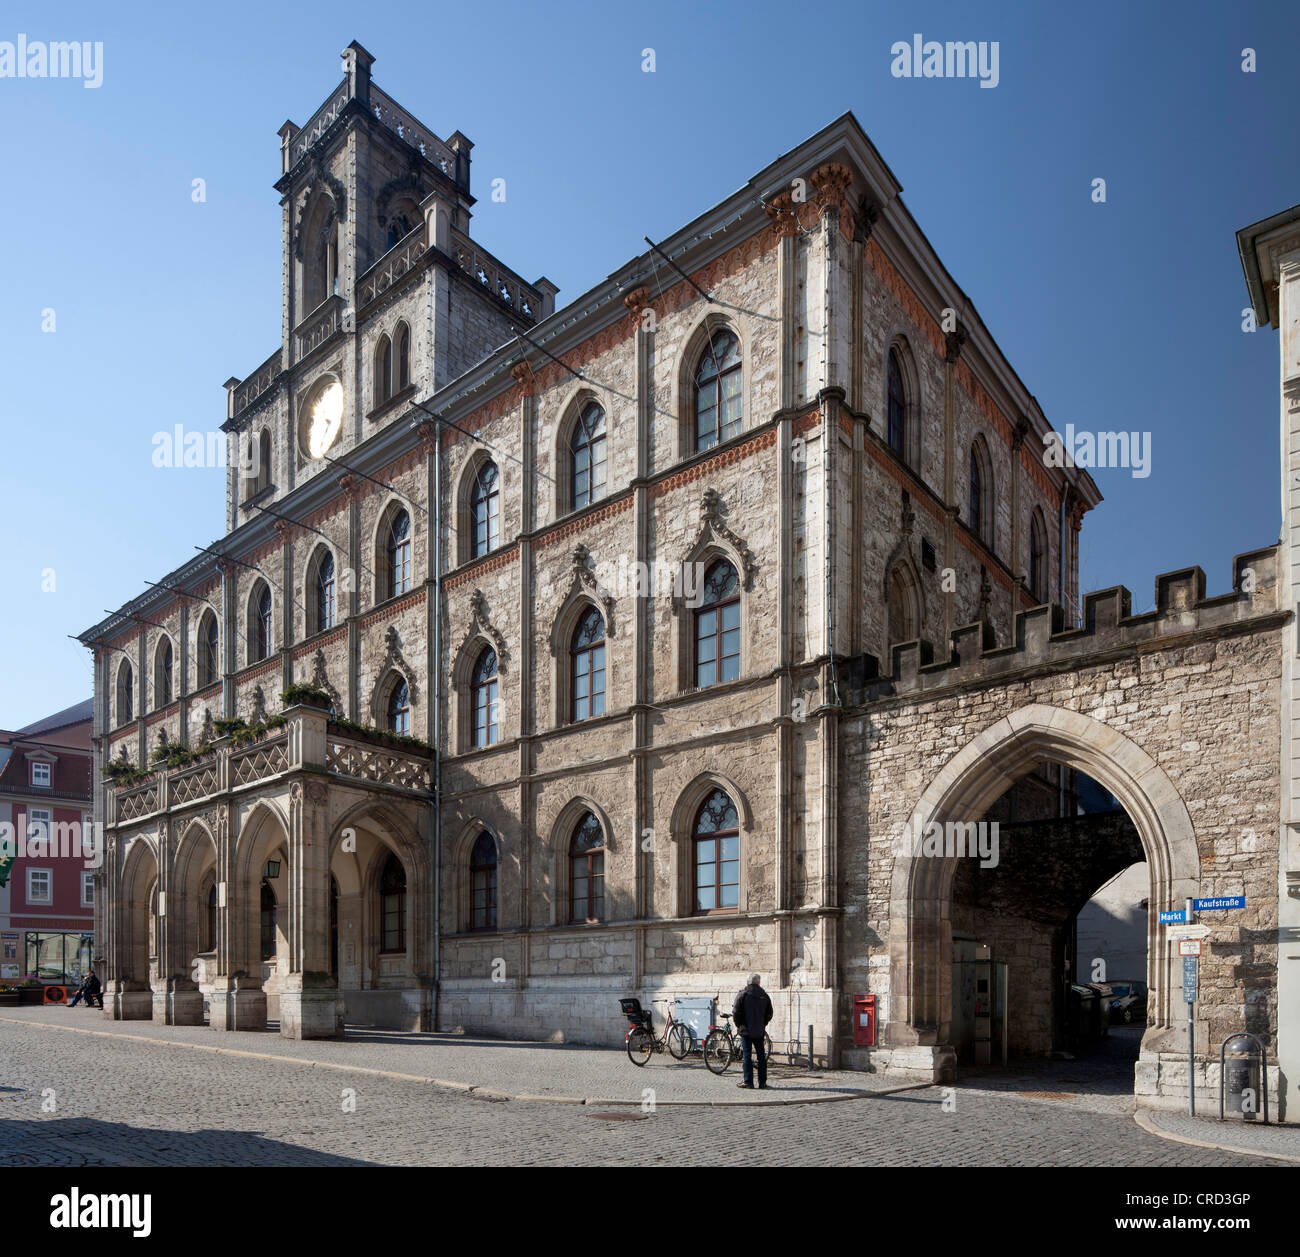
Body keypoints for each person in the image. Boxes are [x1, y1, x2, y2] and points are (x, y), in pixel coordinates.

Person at [731, 973, 773, 1090]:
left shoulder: (743, 994)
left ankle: (748, 1082)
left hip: (746, 1030)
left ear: (748, 982)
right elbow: (769, 1013)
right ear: (758, 983)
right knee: (761, 1057)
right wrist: (763, 1024)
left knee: (747, 1056)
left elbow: (736, 1012)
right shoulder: (764, 995)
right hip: (759, 1030)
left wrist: (739, 1025)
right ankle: (762, 1082)